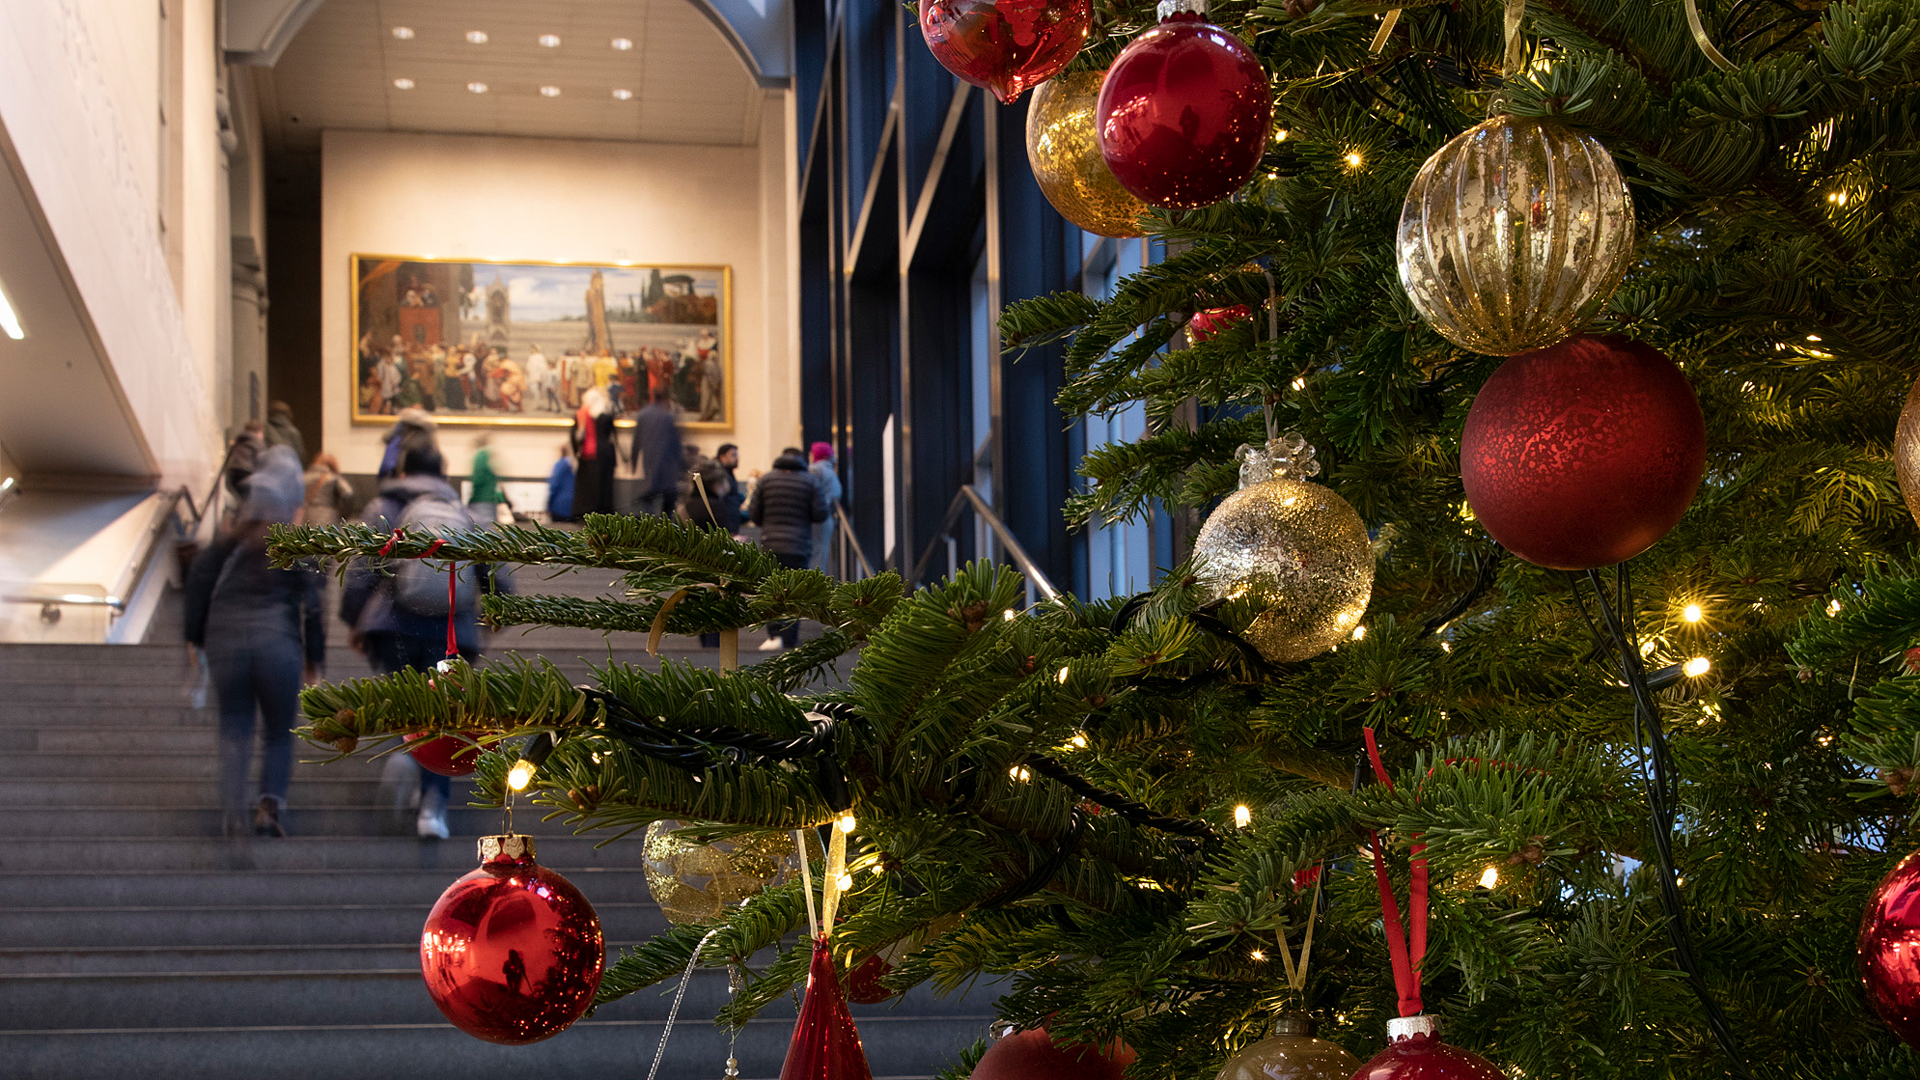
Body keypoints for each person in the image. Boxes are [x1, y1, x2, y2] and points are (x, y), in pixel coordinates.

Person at [340, 444, 504, 839]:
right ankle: (432, 808)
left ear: (403, 472)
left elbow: (362, 565)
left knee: (404, 698)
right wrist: (495, 615)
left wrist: (354, 619)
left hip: (392, 623)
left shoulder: (384, 506)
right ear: (443, 475)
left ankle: (403, 752)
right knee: (442, 714)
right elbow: (495, 570)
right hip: (450, 627)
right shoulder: (461, 513)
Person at [182, 446, 325, 838]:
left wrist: (195, 638)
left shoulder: (230, 542)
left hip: (226, 643)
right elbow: (312, 606)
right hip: (277, 645)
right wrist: (315, 658)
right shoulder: (295, 545)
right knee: (279, 732)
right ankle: (269, 808)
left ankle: (232, 808)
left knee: (235, 726)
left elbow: (198, 581)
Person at [748, 449, 829, 650]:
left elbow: (754, 513)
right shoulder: (810, 482)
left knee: (772, 590)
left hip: (771, 543)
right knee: (793, 592)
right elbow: (820, 514)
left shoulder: (766, 480)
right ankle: (791, 638)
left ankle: (775, 635)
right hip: (798, 545)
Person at [629, 387, 683, 516]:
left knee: (650, 494)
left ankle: (650, 525)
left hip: (650, 460)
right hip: (667, 462)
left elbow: (636, 440)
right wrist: (681, 464)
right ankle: (666, 527)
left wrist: (634, 462)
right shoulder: (668, 416)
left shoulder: (643, 414)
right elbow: (676, 443)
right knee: (669, 499)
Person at [571, 386, 617, 517]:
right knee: (604, 487)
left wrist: (576, 453)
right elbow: (612, 437)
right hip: (605, 455)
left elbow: (575, 437)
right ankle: (604, 512)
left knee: (588, 487)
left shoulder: (581, 414)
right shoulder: (606, 416)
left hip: (587, 454)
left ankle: (586, 512)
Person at [807, 442, 843, 573]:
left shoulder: (815, 470)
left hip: (819, 518)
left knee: (817, 555)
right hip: (826, 517)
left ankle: (814, 586)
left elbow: (810, 491)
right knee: (821, 553)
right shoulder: (829, 470)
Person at [302, 453, 355, 526]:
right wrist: (343, 515)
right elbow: (348, 493)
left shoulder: (304, 477)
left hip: (306, 516)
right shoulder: (333, 478)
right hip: (328, 517)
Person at [468, 434, 508, 526]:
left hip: (481, 500)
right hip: (490, 500)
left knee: (481, 531)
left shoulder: (481, 456)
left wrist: (471, 500)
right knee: (490, 531)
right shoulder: (491, 456)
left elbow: (478, 480)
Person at [713, 443, 746, 532]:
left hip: (730, 521)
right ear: (722, 457)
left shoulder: (728, 473)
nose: (737, 458)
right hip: (724, 523)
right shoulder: (718, 475)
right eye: (733, 455)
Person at [547, 444, 576, 521]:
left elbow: (554, 485)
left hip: (560, 506)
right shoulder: (577, 465)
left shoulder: (560, 464)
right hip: (575, 507)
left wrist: (549, 505)